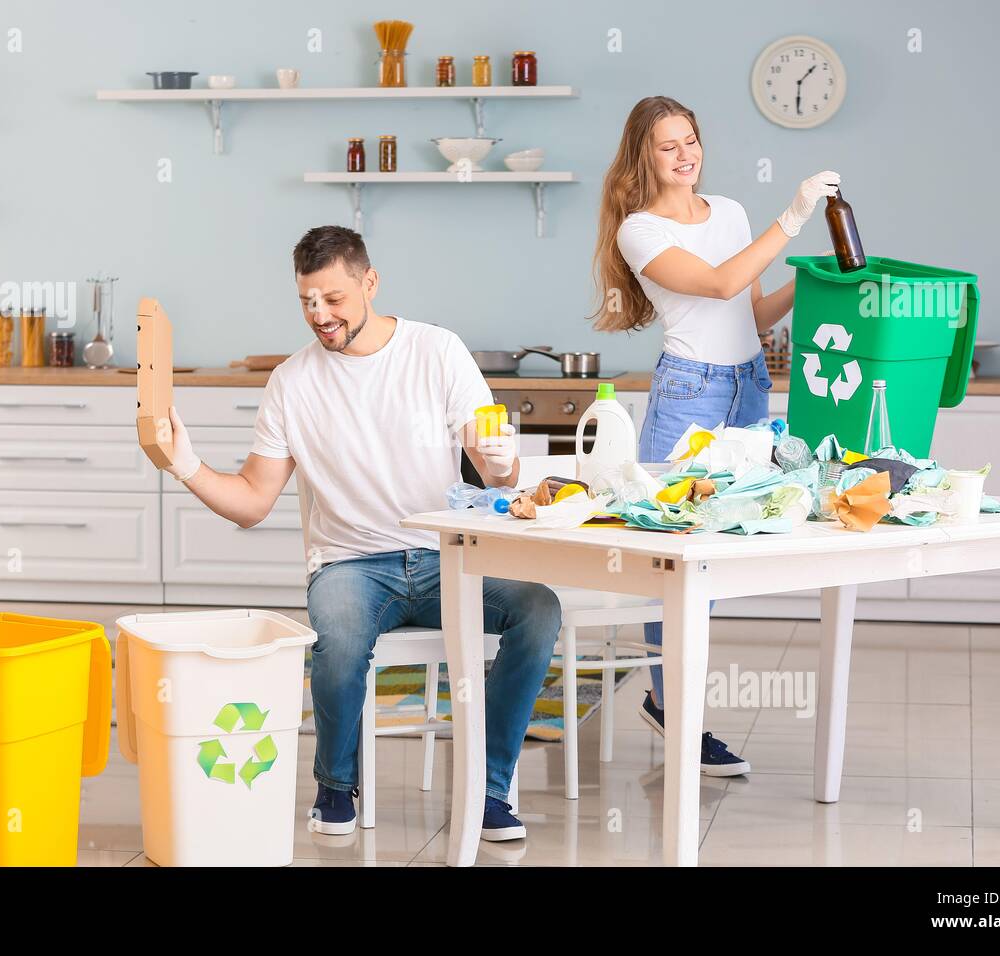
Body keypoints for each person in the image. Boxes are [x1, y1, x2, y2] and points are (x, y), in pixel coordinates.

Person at [159, 225, 561, 839]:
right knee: (339, 641)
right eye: (307, 302)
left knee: (538, 608)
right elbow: (251, 503)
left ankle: (488, 789)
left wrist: (502, 459)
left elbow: (498, 476)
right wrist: (183, 464)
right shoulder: (292, 383)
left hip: (441, 556)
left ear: (369, 282)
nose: (320, 315)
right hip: (349, 565)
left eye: (334, 299)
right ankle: (335, 785)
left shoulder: (437, 351)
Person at [592, 95, 840, 776]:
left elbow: (750, 306)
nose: (685, 155)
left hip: (748, 383)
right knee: (670, 557)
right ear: (644, 155)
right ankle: (673, 708)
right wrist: (792, 217)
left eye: (691, 140)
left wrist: (811, 279)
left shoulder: (728, 213)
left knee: (729, 547)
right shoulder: (639, 231)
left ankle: (671, 702)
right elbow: (717, 281)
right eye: (669, 145)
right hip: (689, 393)